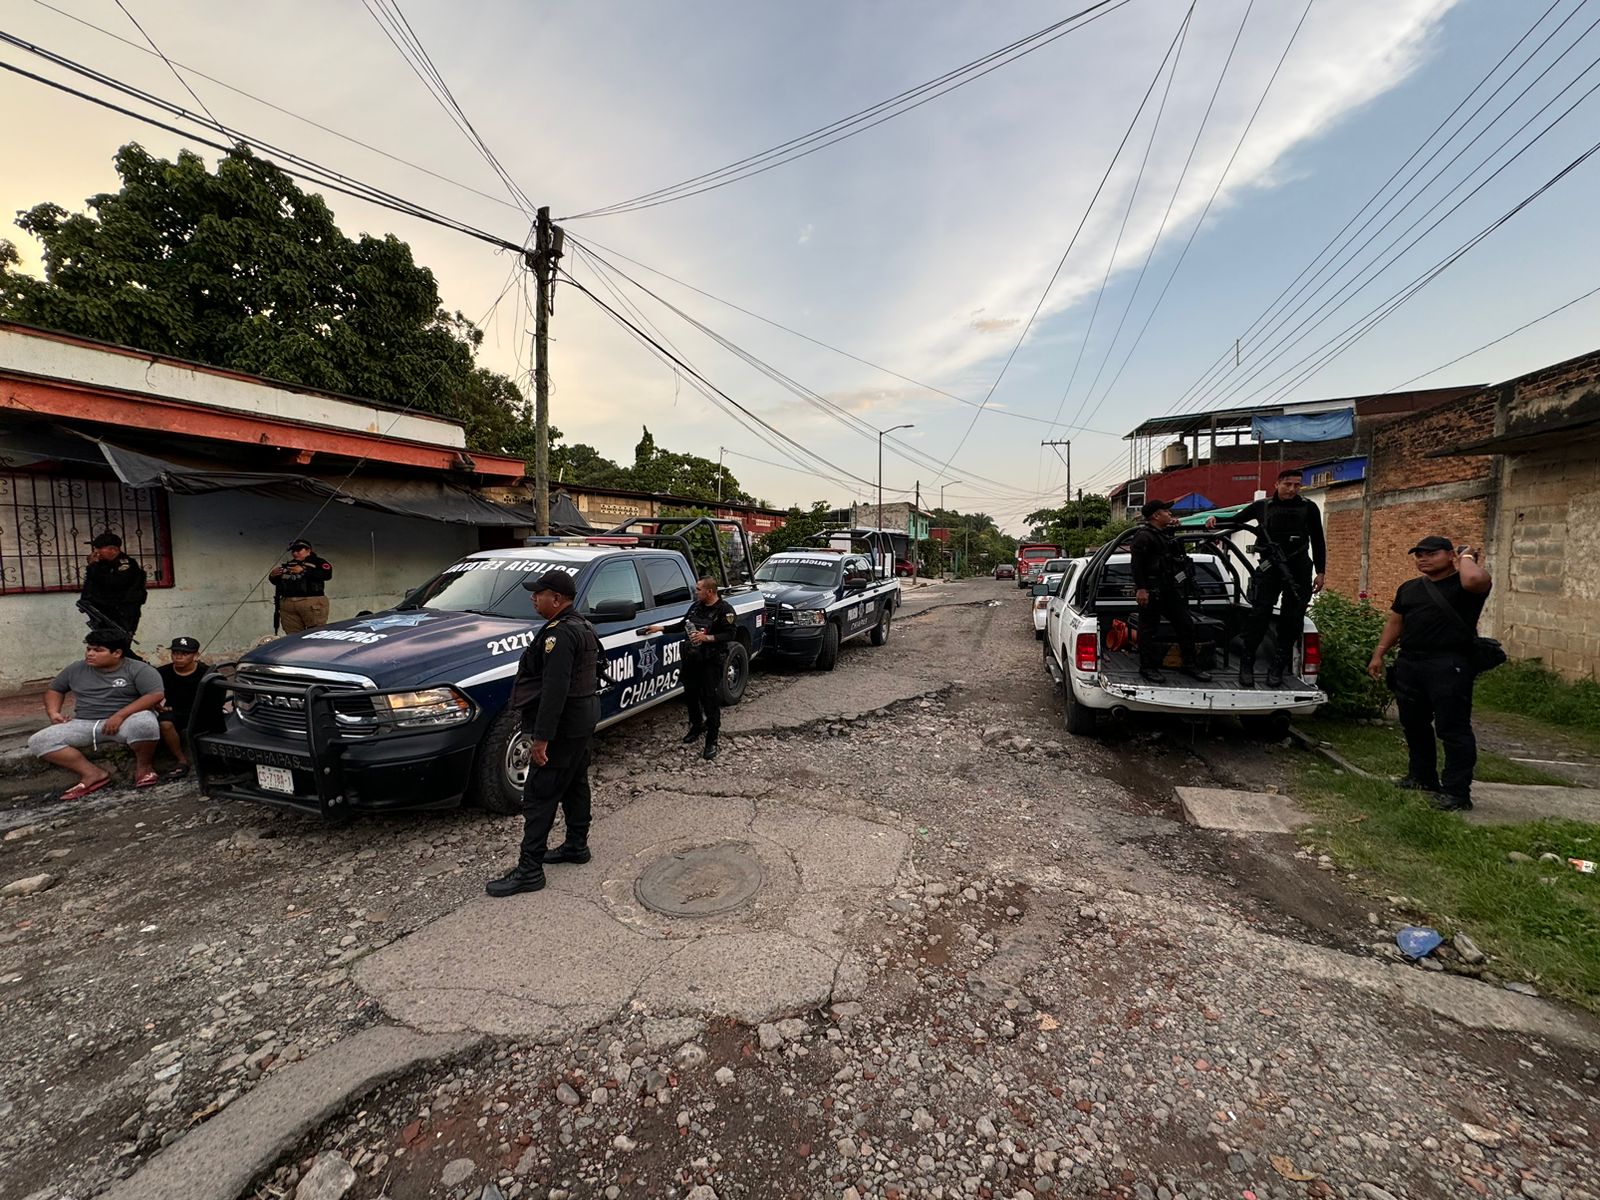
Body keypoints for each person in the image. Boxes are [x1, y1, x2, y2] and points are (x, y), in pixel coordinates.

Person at [486, 569, 601, 898]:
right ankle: (576, 846)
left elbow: (554, 690)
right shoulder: (582, 625)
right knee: (575, 783)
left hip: (563, 724)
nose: (533, 597)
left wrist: (541, 739)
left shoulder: (559, 635)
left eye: (539, 593)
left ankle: (529, 870)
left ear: (557, 599)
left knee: (540, 794)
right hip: (582, 718)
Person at [1366, 537, 1493, 812]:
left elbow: (1474, 580)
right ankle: (1422, 777)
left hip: (1448, 665)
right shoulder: (1410, 588)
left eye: (1431, 554)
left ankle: (1457, 792)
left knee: (1452, 729)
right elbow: (1396, 622)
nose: (1423, 558)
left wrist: (1467, 557)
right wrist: (1379, 653)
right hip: (1411, 663)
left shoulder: (1465, 586)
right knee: (1414, 724)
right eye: (1419, 554)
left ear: (1450, 555)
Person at [1208, 468, 1327, 687]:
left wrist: (1320, 572)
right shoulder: (1262, 506)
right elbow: (1235, 521)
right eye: (1288, 484)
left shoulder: (1308, 508)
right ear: (1277, 484)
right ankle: (1247, 664)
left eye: (1297, 485)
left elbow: (1318, 539)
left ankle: (1277, 668)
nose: (1292, 489)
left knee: (1292, 619)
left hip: (1298, 567)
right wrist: (1215, 519)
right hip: (1270, 566)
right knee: (1259, 615)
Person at [28, 630, 165, 799]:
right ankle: (93, 773)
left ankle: (144, 768)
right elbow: (55, 689)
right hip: (84, 722)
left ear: (117, 653)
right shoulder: (76, 669)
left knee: (146, 723)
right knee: (39, 741)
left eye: (98, 650)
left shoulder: (138, 669)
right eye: (89, 649)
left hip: (126, 721)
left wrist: (120, 715)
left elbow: (155, 695)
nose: (90, 654)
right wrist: (53, 712)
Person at [1127, 499, 1213, 685]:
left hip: (1169, 589)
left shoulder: (1163, 533)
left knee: (1186, 624)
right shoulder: (1144, 536)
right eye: (1167, 511)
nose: (1171, 514)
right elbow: (1136, 565)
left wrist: (1174, 525)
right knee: (1148, 630)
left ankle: (1189, 664)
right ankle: (1147, 667)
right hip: (1151, 590)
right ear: (1156, 515)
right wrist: (1141, 589)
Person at [681, 576, 737, 761]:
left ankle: (712, 739)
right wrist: (660, 628)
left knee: (709, 699)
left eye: (698, 589)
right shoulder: (696, 606)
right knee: (690, 694)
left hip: (711, 661)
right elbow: (683, 624)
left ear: (709, 591)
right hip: (692, 659)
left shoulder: (724, 610)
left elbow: (729, 634)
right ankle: (697, 726)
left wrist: (707, 638)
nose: (696, 592)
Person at [156, 636, 210, 779]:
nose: (178, 657)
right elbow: (150, 693)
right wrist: (157, 706)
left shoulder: (206, 673)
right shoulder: (162, 672)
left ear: (195, 655)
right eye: (175, 653)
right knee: (165, 723)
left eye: (185, 654)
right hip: (175, 711)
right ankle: (181, 760)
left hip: (200, 711)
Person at [79, 532, 148, 641]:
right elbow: (91, 585)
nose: (95, 551)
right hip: (103, 614)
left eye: (99, 548)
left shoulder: (126, 565)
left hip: (121, 614)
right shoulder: (102, 564)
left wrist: (93, 566)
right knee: (104, 645)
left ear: (113, 550)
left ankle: (135, 659)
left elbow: (112, 584)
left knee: (118, 646)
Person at [270, 539, 334, 633]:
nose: (295, 553)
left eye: (299, 550)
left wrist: (304, 571)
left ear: (308, 550)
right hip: (288, 603)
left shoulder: (319, 562)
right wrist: (273, 575)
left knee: (315, 633)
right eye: (293, 551)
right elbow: (279, 582)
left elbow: (327, 575)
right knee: (292, 634)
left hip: (311, 601)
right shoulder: (290, 564)